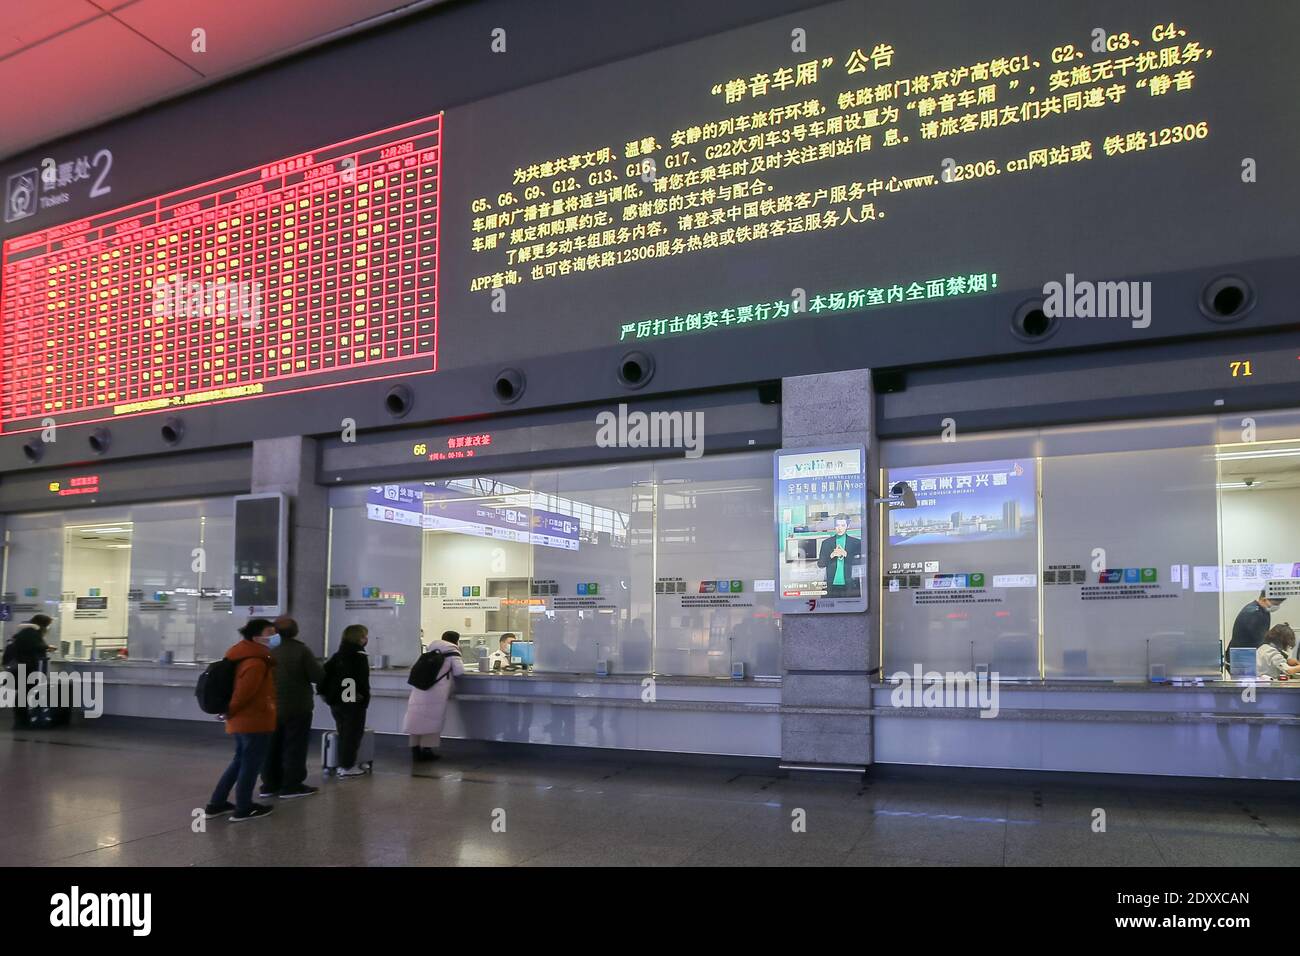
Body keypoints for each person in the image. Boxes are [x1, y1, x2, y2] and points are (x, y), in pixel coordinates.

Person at [204, 619, 278, 822]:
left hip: (242, 720)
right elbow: (244, 694)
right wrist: (228, 710)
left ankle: (216, 804)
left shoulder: (242, 655)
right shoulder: (255, 662)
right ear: (256, 637)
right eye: (270, 632)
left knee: (239, 762)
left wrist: (229, 712)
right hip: (253, 721)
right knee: (250, 765)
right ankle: (244, 807)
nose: (274, 636)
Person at [258, 616, 325, 799]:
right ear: (295, 631)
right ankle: (291, 785)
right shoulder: (300, 650)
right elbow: (317, 676)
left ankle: (269, 784)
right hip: (297, 706)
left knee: (271, 746)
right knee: (294, 746)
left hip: (269, 707)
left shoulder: (265, 649)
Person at [401, 629, 464, 762]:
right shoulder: (453, 651)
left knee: (416, 719)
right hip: (437, 692)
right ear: (456, 641)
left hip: (420, 688)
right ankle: (427, 750)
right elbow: (459, 672)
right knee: (432, 720)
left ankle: (415, 750)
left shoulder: (430, 650)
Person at [321, 624, 371, 778]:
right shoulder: (358, 656)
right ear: (358, 638)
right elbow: (360, 680)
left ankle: (343, 763)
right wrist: (362, 697)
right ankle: (347, 766)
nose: (366, 639)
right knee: (352, 734)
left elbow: (324, 673)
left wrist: (325, 694)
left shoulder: (338, 655)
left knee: (344, 732)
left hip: (336, 700)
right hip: (351, 700)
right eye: (364, 636)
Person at [2, 615, 54, 728]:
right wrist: (46, 647)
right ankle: (23, 722)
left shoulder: (26, 632)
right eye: (47, 625)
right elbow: (34, 647)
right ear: (42, 624)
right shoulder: (31, 633)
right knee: (24, 695)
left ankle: (22, 721)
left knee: (22, 695)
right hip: (26, 668)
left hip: (21, 668)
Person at [1227, 591, 1285, 666]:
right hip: (1242, 659)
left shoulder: (1263, 610)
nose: (1277, 607)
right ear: (1264, 599)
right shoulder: (1253, 614)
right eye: (1275, 604)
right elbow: (1262, 642)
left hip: (1245, 656)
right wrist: (1283, 657)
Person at [816, 514, 862, 598]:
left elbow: (862, 562)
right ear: (834, 526)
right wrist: (831, 555)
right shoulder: (826, 543)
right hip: (831, 586)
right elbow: (820, 564)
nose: (840, 528)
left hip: (850, 586)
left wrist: (846, 555)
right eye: (837, 525)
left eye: (843, 525)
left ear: (848, 526)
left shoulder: (856, 543)